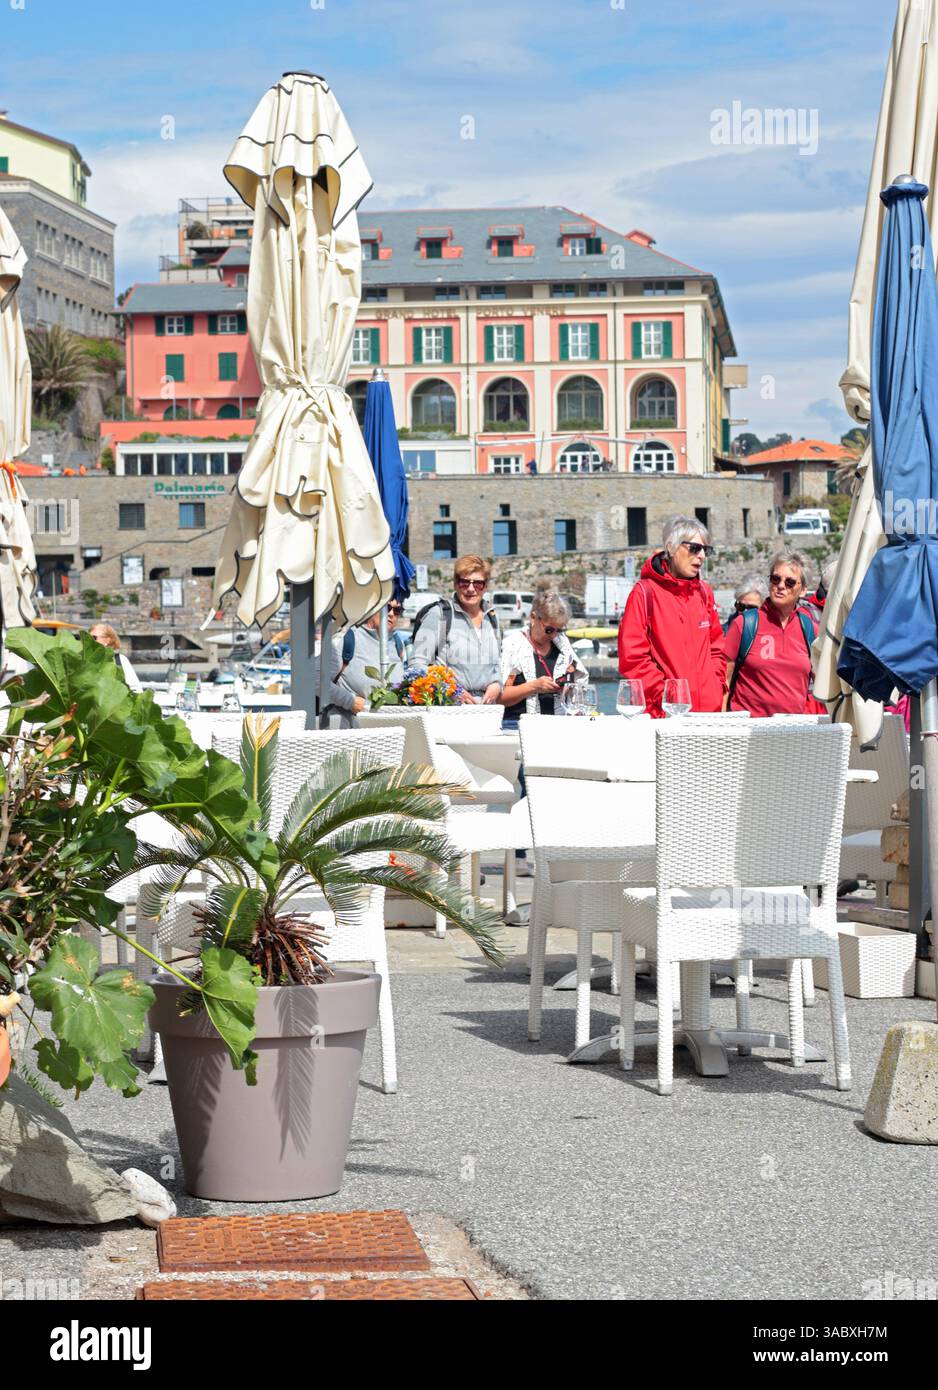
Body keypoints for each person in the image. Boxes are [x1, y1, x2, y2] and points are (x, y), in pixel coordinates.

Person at [617, 516, 726, 718]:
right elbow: (633, 660)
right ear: (672, 547)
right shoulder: (644, 593)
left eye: (706, 550)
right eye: (694, 548)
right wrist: (668, 696)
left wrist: (716, 685)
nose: (702, 556)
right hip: (665, 716)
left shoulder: (704, 593)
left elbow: (717, 649)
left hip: (709, 714)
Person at [723, 549, 820, 716]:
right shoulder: (745, 624)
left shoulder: (809, 629)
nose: (781, 586)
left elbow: (821, 682)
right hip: (749, 733)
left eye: (789, 582)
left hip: (793, 731)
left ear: (803, 590)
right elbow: (724, 679)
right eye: (775, 579)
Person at [411, 554, 502, 704]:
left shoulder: (491, 618)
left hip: (486, 711)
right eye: (464, 583)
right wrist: (451, 690)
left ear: (485, 586)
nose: (471, 589)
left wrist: (497, 684)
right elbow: (416, 664)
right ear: (455, 584)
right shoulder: (439, 615)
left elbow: (496, 664)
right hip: (449, 709)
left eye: (478, 583)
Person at [499, 590, 588, 719]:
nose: (554, 635)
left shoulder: (562, 645)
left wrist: (567, 687)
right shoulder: (512, 646)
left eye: (560, 630)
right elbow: (499, 698)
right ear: (533, 618)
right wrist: (533, 686)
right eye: (549, 630)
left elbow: (580, 685)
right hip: (516, 726)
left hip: (557, 725)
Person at [323, 601, 406, 725]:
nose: (390, 614)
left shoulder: (397, 644)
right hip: (349, 734)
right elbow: (318, 681)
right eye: (386, 608)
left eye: (397, 611)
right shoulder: (346, 639)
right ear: (372, 607)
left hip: (387, 734)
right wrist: (349, 701)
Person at [90, 623, 143, 692]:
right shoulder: (84, 660)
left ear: (107, 640)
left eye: (94, 638)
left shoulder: (120, 660)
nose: (90, 641)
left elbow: (135, 689)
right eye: (88, 637)